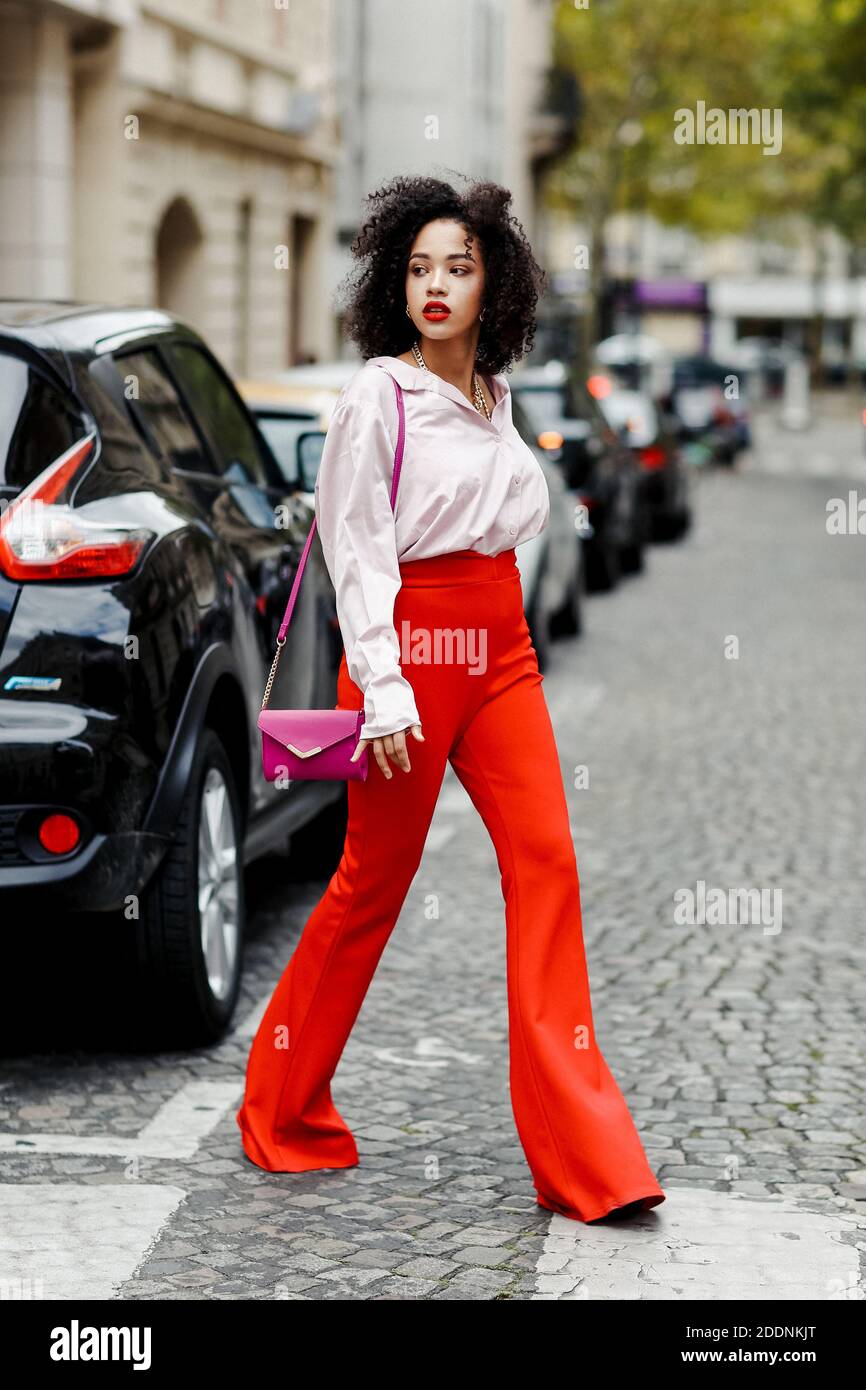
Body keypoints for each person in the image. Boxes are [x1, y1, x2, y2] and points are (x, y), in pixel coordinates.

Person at [236, 174, 666, 1223]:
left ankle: (587, 1158)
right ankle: (281, 1104)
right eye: (418, 267)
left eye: (458, 267)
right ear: (396, 282)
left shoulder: (494, 398)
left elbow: (501, 539)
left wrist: (501, 631)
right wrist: (381, 685)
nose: (436, 284)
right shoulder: (377, 395)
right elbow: (355, 545)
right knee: (367, 886)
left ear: (494, 286)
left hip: (500, 650)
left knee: (549, 864)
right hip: (408, 659)